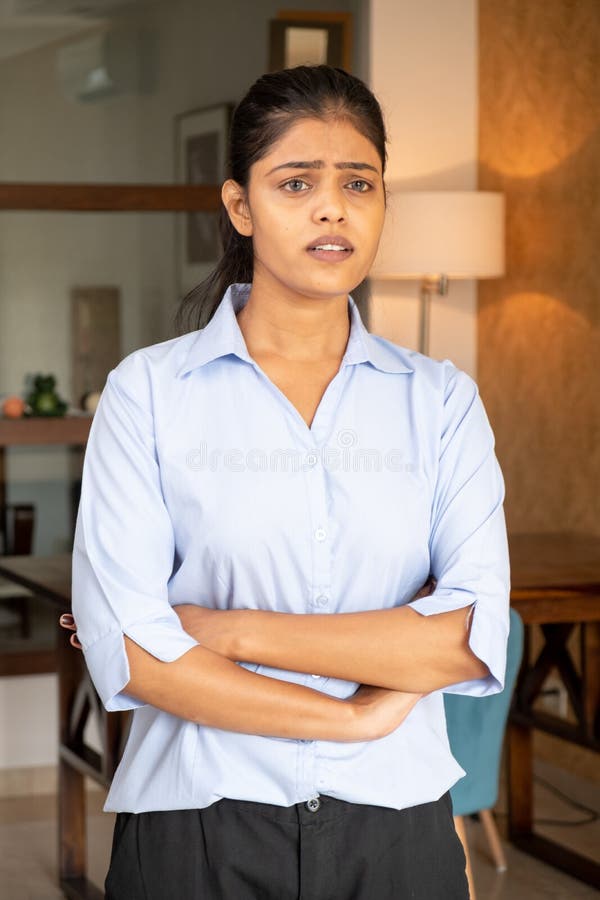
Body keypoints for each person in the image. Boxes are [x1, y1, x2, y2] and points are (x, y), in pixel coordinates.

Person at [61, 64, 510, 899]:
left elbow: (464, 636)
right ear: (240, 207)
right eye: (296, 182)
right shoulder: (149, 393)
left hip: (399, 829)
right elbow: (133, 653)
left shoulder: (442, 401)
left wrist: (226, 633)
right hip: (200, 826)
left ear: (382, 203)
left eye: (358, 183)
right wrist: (350, 716)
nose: (332, 207)